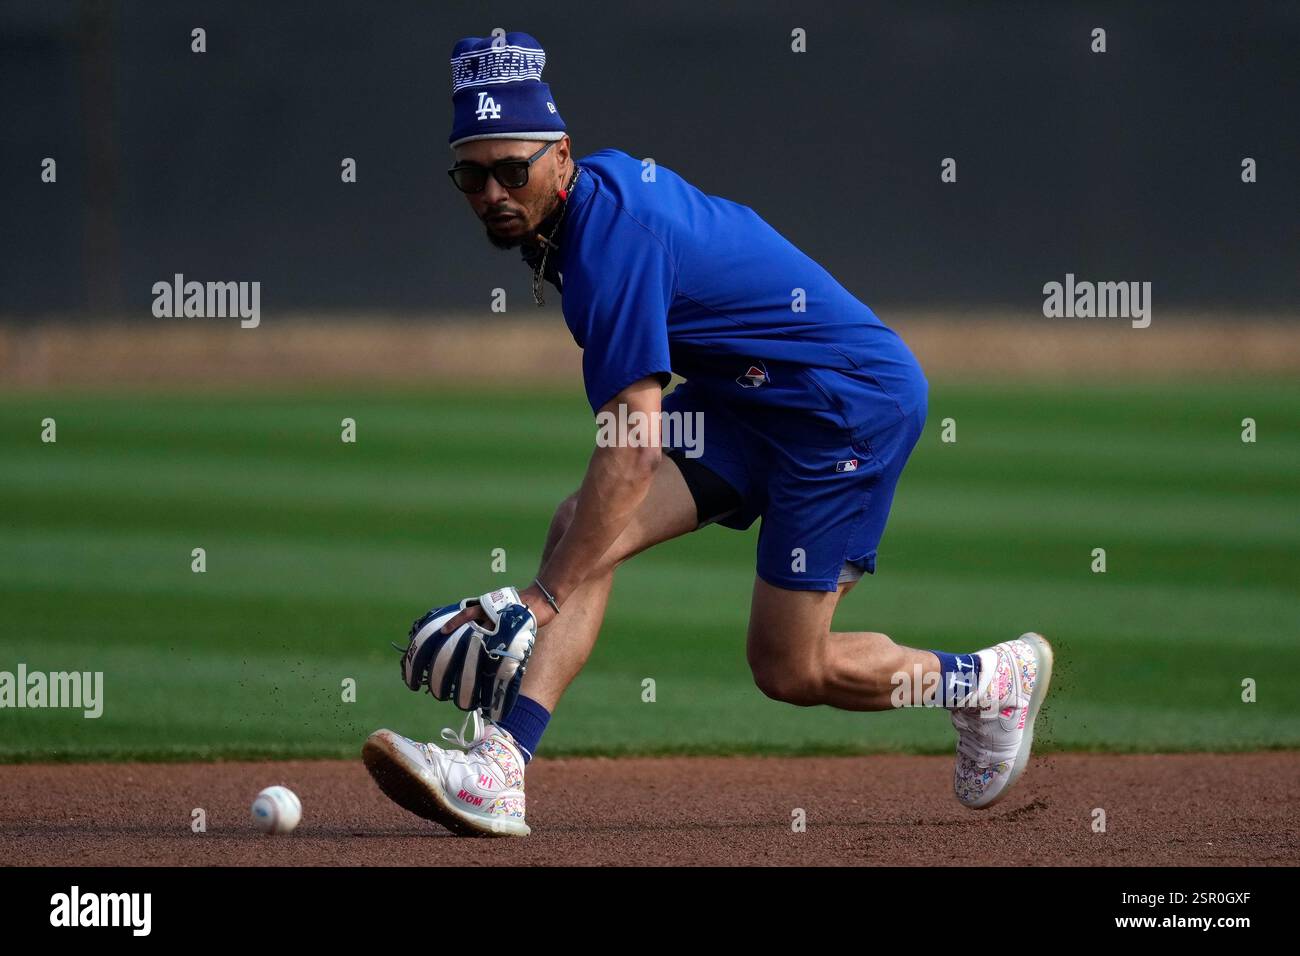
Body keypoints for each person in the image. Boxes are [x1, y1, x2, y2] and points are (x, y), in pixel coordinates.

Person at [362, 32, 1052, 837]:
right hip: (745, 397)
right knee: (581, 525)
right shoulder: (577, 213)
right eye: (471, 175)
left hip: (842, 408)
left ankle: (986, 681)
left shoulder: (610, 243)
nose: (492, 192)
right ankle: (501, 770)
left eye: (512, 169)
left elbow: (630, 447)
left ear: (560, 156)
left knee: (791, 668)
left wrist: (538, 600)